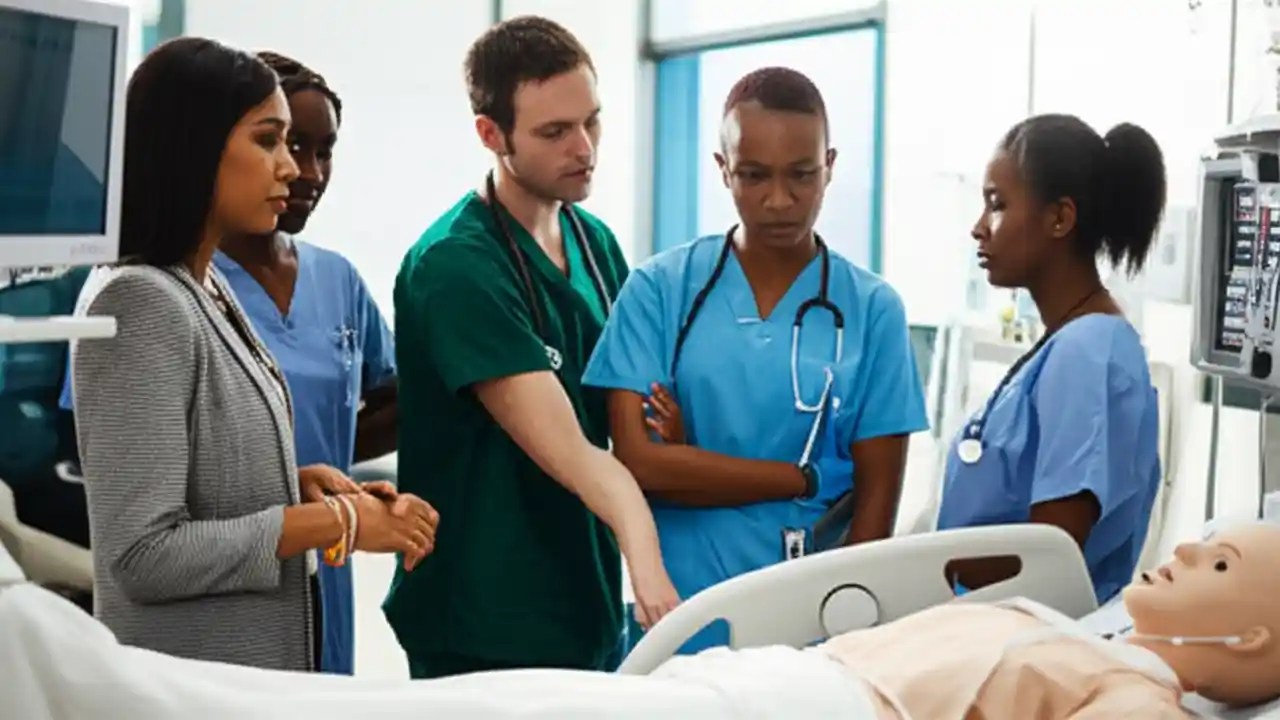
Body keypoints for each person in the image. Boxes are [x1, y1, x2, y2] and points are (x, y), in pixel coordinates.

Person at [13, 521, 1280, 718]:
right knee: (392, 708)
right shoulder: (1097, 637)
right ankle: (53, 664)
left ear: (1255, 645)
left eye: (1217, 558)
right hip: (728, 691)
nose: (1176, 548)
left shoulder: (1136, 694)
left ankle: (50, 668)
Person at [70, 37, 438, 672]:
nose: (294, 170)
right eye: (269, 141)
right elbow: (142, 556)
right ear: (196, 146)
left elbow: (198, 479)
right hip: (190, 687)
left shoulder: (202, 285)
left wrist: (296, 487)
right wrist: (335, 524)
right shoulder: (138, 302)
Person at [581, 67, 928, 654]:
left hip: (814, 631)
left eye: (801, 175)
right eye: (753, 175)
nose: (779, 200)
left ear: (830, 166)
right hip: (679, 616)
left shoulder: (873, 310)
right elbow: (640, 466)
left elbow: (872, 519)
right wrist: (809, 478)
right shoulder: (659, 291)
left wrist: (839, 639)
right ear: (722, 169)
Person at [384, 16, 678, 680]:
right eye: (554, 132)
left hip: (583, 600)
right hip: (484, 617)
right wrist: (649, 570)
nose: (584, 148)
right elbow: (574, 452)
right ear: (491, 135)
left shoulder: (594, 243)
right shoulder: (458, 266)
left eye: (591, 122)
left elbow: (628, 408)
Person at [207, 50, 397, 676]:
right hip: (225, 566)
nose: (307, 171)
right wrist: (280, 481)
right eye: (286, 143)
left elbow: (392, 402)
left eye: (325, 150)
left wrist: (332, 480)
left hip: (326, 555)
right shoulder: (173, 287)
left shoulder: (336, 279)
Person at [936, 114, 1166, 605]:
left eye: (997, 204)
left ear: (1060, 218)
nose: (979, 227)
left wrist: (931, 565)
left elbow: (1048, 555)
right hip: (992, 626)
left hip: (1034, 640)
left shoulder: (1090, 351)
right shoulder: (1069, 342)